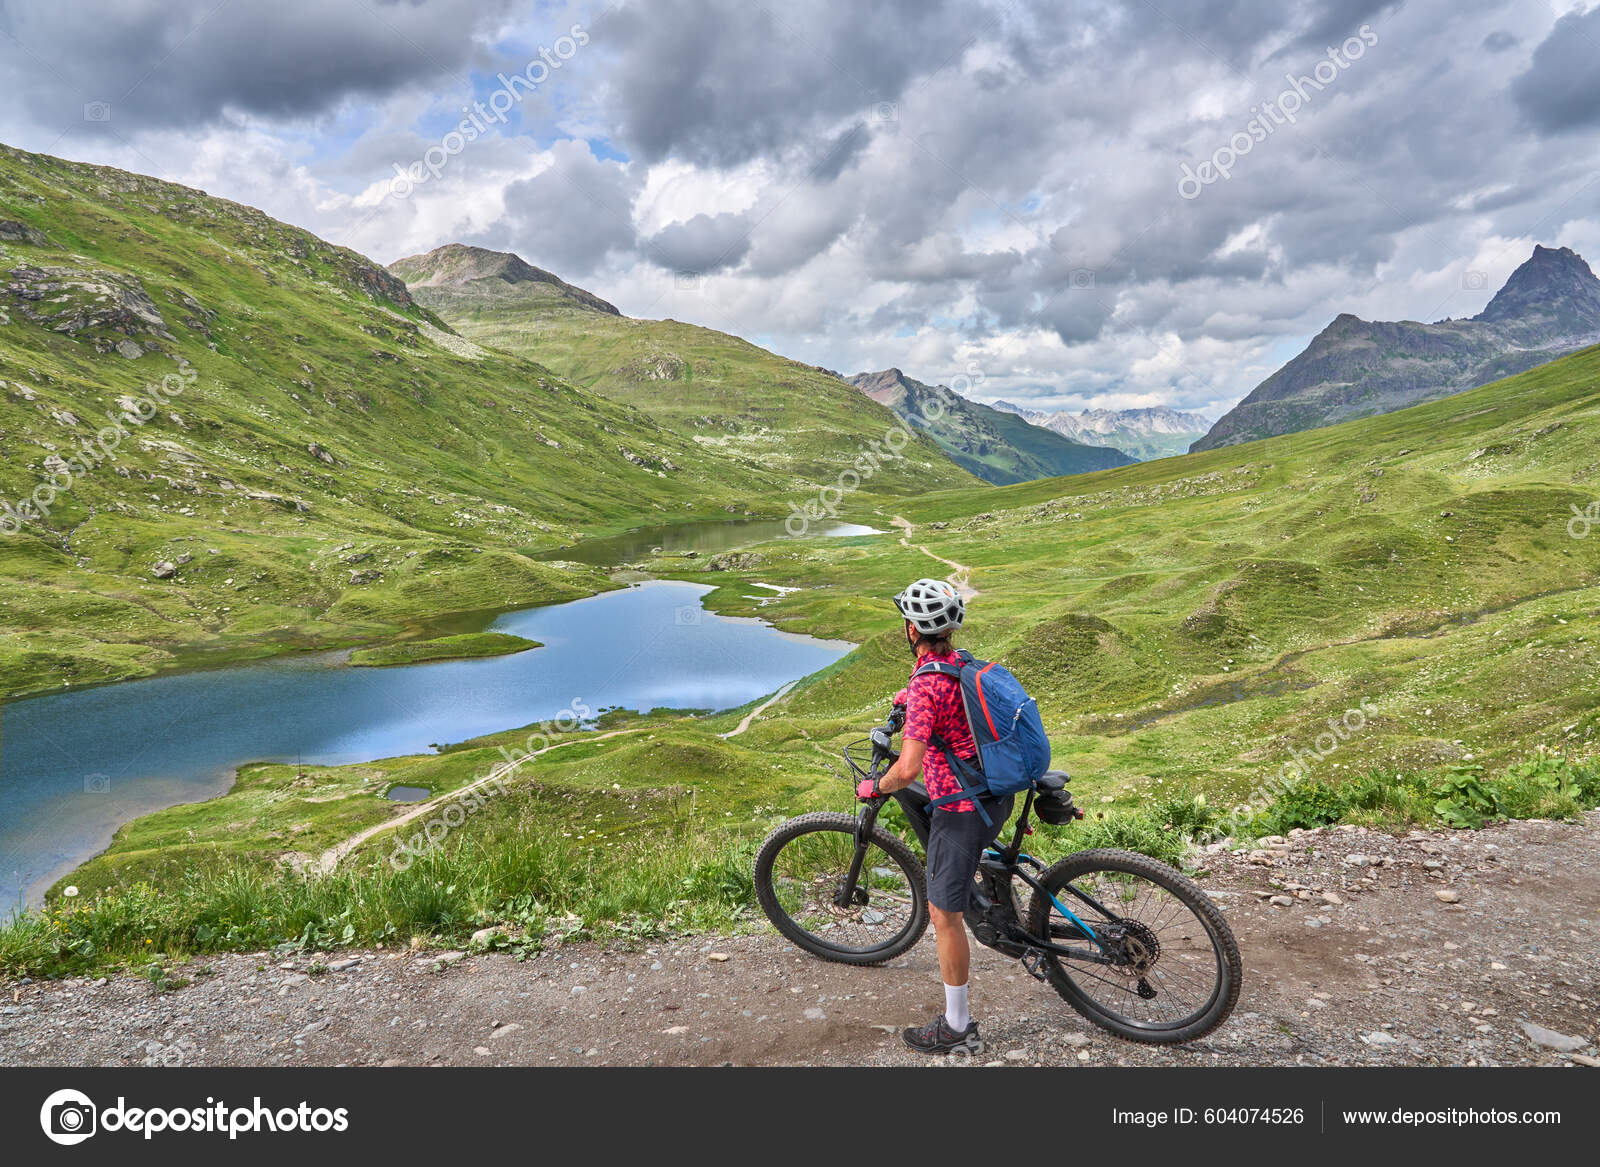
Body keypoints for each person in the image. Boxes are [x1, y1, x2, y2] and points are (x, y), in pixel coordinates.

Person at [856, 577, 1013, 1055]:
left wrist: (873, 786)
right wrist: (907, 701)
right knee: (949, 839)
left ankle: (957, 1025)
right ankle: (996, 890)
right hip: (996, 793)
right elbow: (946, 708)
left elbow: (906, 771)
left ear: (911, 630)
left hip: (964, 806)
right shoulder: (958, 663)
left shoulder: (928, 685)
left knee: (944, 913)